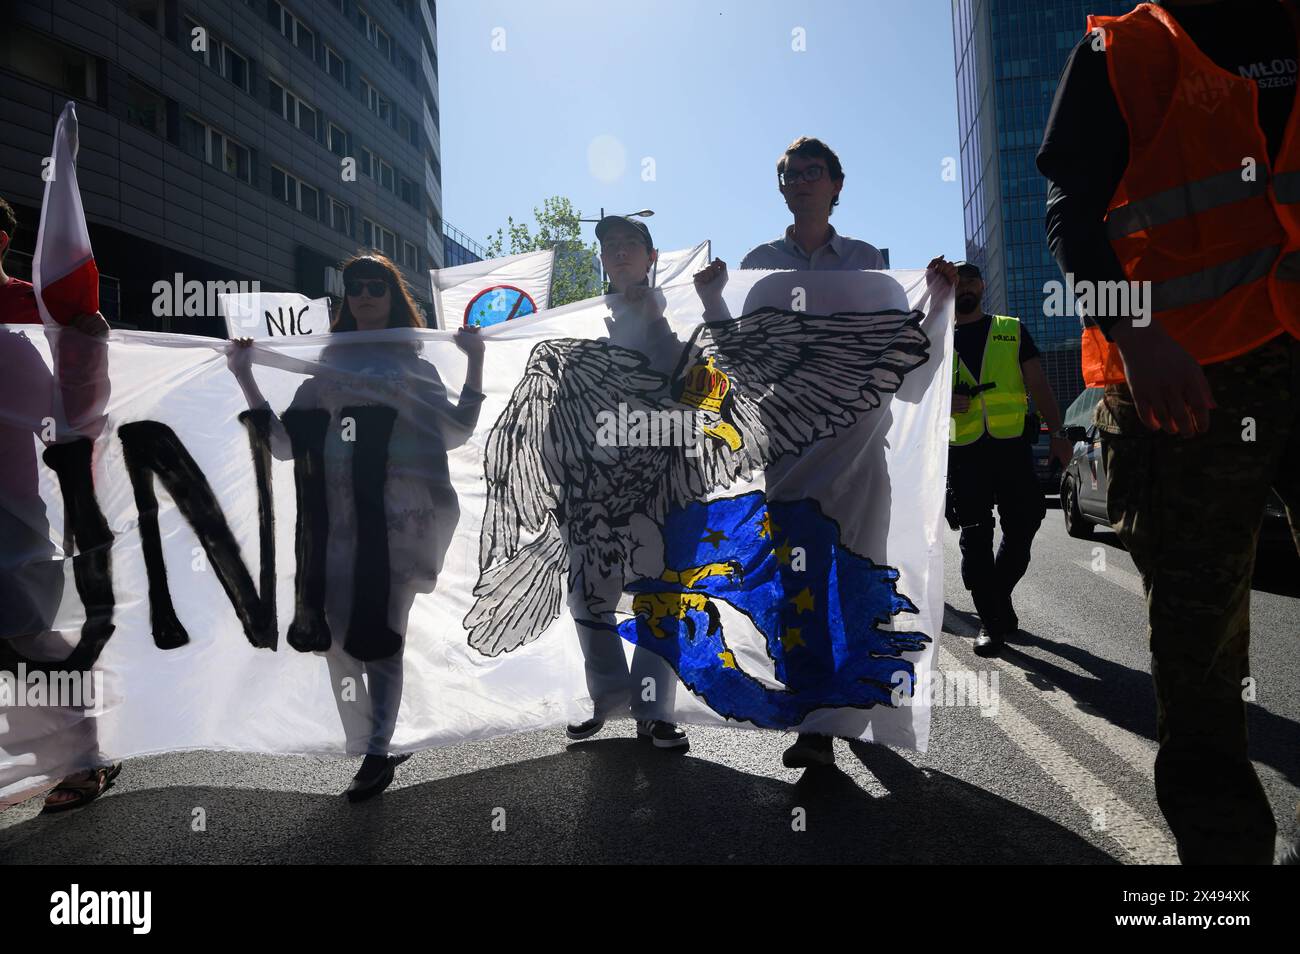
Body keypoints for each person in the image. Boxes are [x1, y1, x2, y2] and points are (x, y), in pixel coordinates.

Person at [1038, 0, 1300, 864]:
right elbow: (1072, 215)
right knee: (1200, 651)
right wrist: (1138, 335)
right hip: (1190, 380)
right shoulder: (1126, 48)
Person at [706, 137, 958, 770]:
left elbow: (902, 367)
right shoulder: (759, 264)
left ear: (837, 185)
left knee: (857, 587)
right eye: (792, 173)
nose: (803, 181)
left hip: (860, 465)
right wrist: (713, 299)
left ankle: (861, 708)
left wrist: (938, 299)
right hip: (789, 462)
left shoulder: (870, 265)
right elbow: (742, 366)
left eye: (814, 172)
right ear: (783, 187)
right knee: (801, 595)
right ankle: (817, 723)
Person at [228, 252, 484, 801]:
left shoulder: (417, 367)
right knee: (337, 639)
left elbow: (457, 431)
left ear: (393, 296)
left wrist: (476, 362)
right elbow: (282, 444)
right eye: (355, 286)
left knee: (383, 632)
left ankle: (377, 749)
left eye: (377, 285)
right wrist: (245, 378)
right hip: (336, 526)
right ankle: (373, 739)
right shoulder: (326, 370)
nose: (365, 293)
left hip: (402, 522)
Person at [0, 195, 117, 812]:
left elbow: (69, 405)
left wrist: (87, 344)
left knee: (33, 635)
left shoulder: (32, 306)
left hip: (14, 500)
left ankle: (84, 757)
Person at [563, 214, 689, 751]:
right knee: (588, 601)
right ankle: (610, 697)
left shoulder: (675, 329)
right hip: (593, 492)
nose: (618, 253)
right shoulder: (582, 331)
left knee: (658, 598)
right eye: (610, 246)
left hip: (662, 490)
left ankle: (655, 710)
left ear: (651, 257)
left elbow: (696, 400)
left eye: (630, 245)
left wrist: (656, 324)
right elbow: (562, 413)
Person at [947, 261, 1071, 657]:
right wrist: (943, 403)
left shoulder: (1010, 329)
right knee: (977, 536)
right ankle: (992, 622)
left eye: (970, 280)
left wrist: (1060, 435)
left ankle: (996, 597)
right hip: (965, 452)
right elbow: (913, 395)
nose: (964, 287)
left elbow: (1038, 383)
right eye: (956, 281)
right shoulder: (935, 337)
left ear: (982, 286)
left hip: (1011, 447)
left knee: (1025, 521)